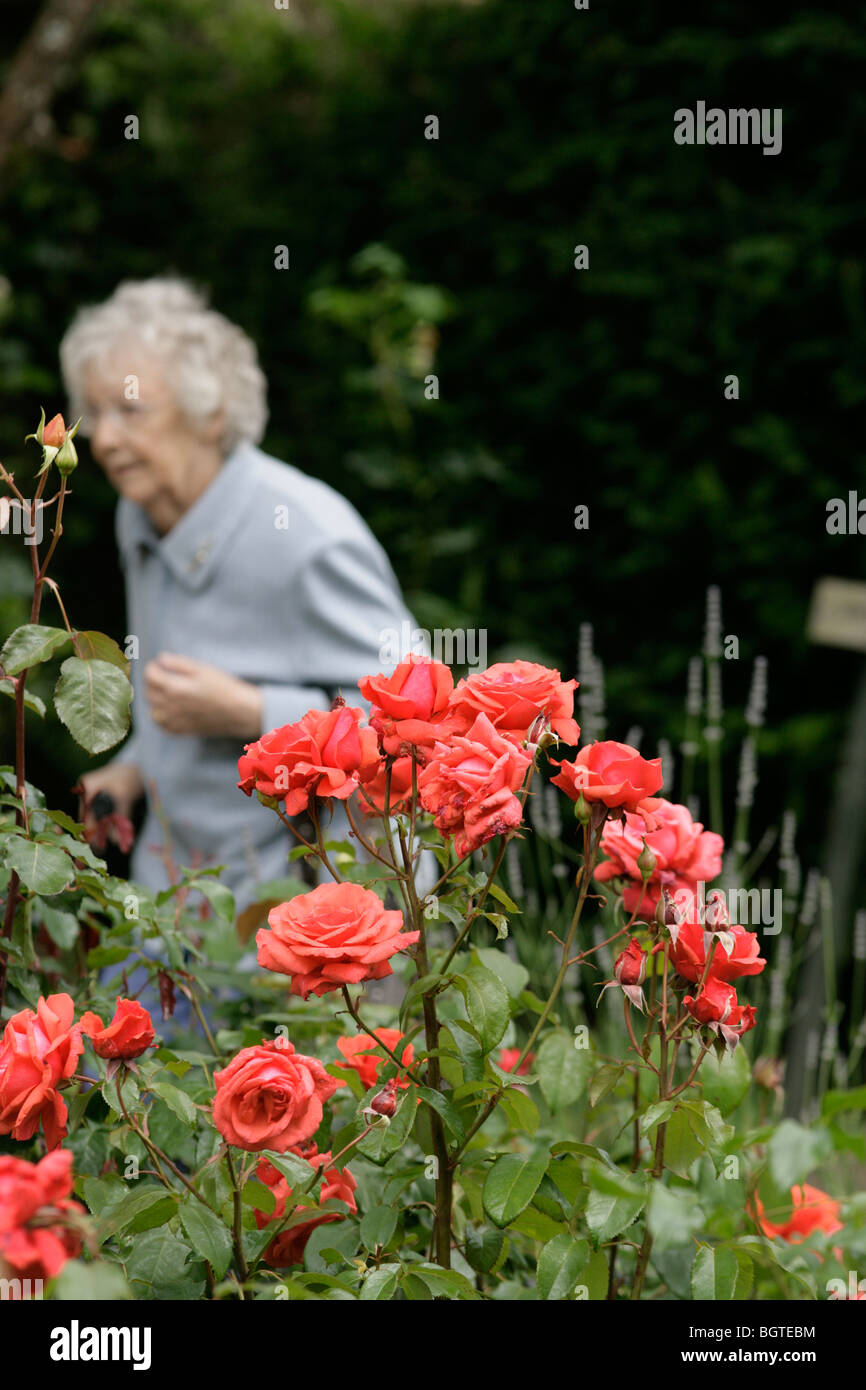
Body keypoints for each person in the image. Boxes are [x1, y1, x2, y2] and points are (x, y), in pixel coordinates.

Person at [62, 276, 416, 913]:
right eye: (96, 412)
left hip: (292, 925)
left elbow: (418, 729)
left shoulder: (307, 535)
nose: (104, 440)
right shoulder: (139, 512)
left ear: (210, 414)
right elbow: (179, 701)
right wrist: (135, 770)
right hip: (169, 901)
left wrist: (253, 710)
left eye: (130, 410)